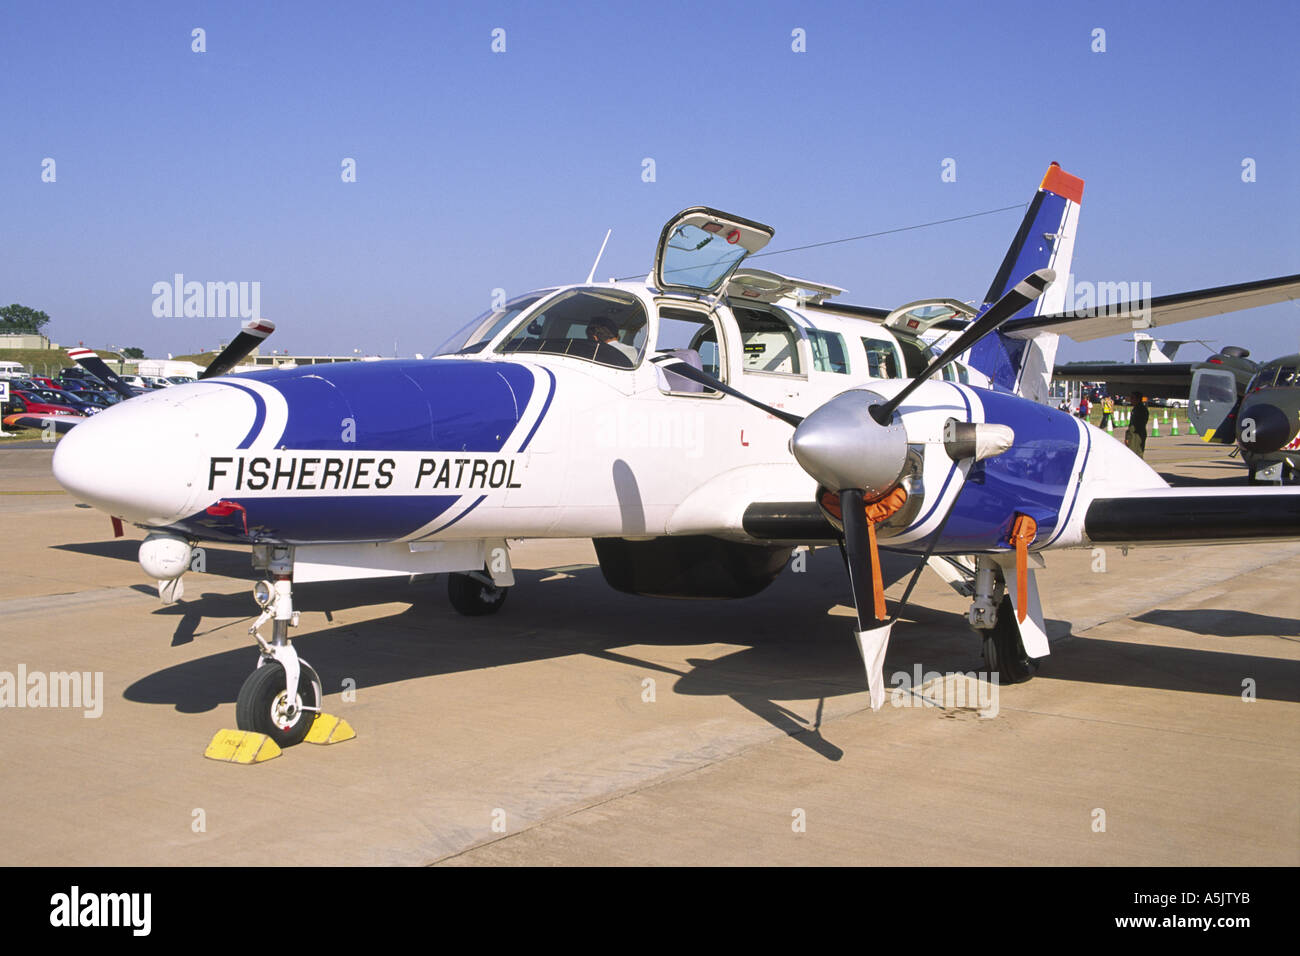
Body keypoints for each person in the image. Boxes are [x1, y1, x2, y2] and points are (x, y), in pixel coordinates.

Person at [1125, 390, 1149, 457]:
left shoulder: (1141, 409)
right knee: (1132, 453)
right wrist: (1127, 436)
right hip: (1133, 434)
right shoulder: (1136, 409)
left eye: (1133, 398)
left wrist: (1129, 436)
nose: (1131, 400)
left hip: (1137, 434)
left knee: (1136, 454)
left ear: (1138, 399)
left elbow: (1138, 424)